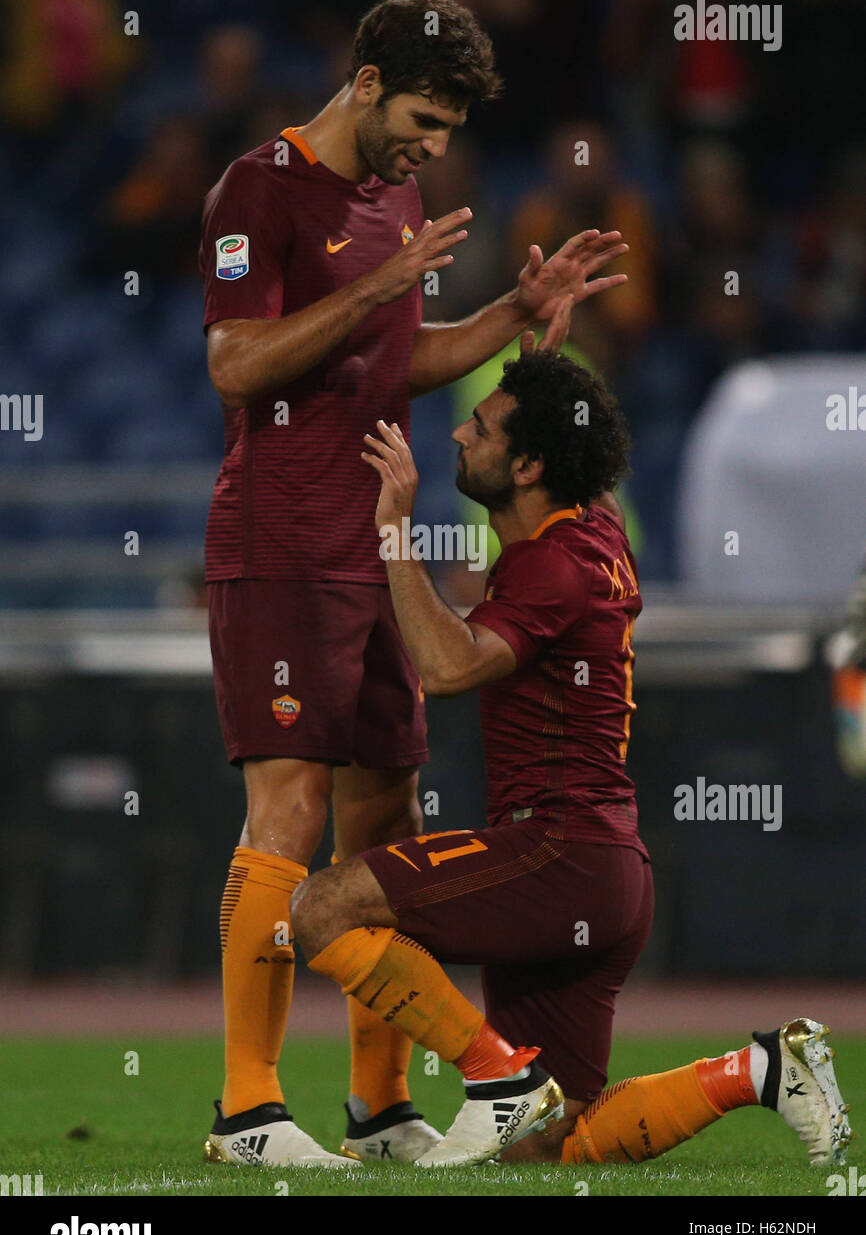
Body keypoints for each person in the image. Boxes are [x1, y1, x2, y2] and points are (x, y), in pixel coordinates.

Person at [199, 0, 629, 1169]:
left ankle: (380, 1110)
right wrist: (375, 291)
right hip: (281, 541)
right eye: (424, 122)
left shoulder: (399, 196)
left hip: (377, 541)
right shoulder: (256, 189)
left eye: (445, 133)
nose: (432, 150)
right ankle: (245, 1109)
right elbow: (235, 365)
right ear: (369, 80)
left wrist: (506, 312)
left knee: (384, 820)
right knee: (285, 810)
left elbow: (389, 371)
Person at [290, 343, 852, 1170]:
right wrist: (535, 340)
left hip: (554, 854)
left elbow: (446, 668)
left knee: (323, 909)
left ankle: (494, 1075)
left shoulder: (553, 565)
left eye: (478, 430)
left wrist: (392, 533)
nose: (456, 438)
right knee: (554, 1145)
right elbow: (564, 428)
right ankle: (761, 1070)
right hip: (606, 869)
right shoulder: (593, 521)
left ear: (528, 465)